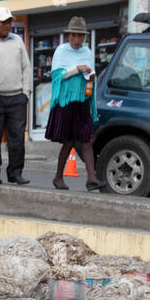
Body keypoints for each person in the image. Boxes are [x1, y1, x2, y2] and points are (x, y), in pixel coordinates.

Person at [45, 16, 102, 192]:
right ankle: (58, 177)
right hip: (66, 102)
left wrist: (91, 76)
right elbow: (57, 76)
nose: (77, 40)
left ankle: (92, 178)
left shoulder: (87, 52)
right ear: (68, 36)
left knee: (87, 140)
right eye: (74, 36)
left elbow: (91, 76)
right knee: (69, 142)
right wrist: (76, 69)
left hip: (82, 101)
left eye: (80, 36)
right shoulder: (61, 51)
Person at [0, 7, 31, 185]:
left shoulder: (17, 40)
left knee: (17, 139)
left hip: (16, 98)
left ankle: (15, 173)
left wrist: (25, 93)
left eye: (10, 21)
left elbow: (26, 68)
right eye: (4, 22)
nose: (8, 25)